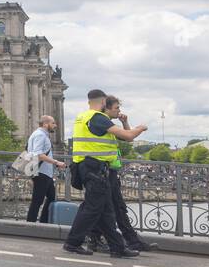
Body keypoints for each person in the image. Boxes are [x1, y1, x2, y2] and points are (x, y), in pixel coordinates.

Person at [63, 89, 147, 257]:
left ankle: (118, 248)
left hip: (88, 166)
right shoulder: (98, 118)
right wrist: (140, 128)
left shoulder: (83, 117)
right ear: (103, 102)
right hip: (95, 168)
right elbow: (128, 136)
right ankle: (72, 243)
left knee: (105, 209)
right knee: (91, 208)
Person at [85, 96, 157, 253]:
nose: (119, 111)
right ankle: (100, 240)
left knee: (113, 207)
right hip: (100, 171)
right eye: (117, 108)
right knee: (106, 208)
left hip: (109, 170)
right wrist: (141, 128)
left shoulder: (108, 124)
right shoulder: (100, 121)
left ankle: (126, 241)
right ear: (107, 108)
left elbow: (126, 136)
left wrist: (125, 122)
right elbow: (130, 136)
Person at [24, 115, 65, 223]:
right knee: (37, 200)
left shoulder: (40, 134)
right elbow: (39, 154)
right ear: (45, 124)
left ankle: (43, 221)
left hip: (43, 172)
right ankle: (31, 224)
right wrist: (56, 162)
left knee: (51, 197)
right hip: (41, 172)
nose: (55, 125)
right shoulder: (40, 135)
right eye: (53, 123)